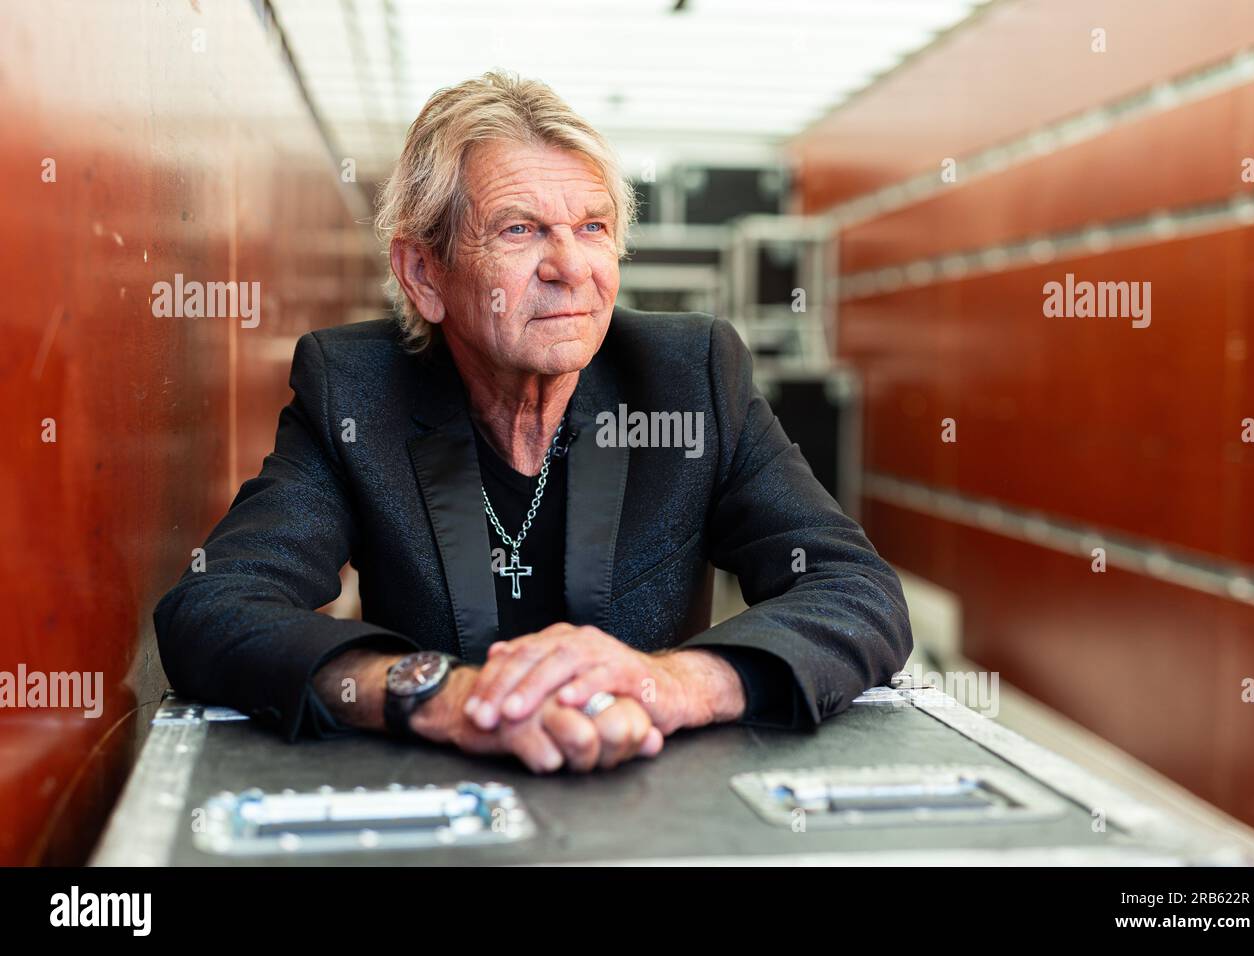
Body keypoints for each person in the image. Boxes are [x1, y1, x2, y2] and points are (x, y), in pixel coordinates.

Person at [154, 71, 912, 774]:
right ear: (424, 273)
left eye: (592, 227)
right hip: (441, 815)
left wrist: (674, 683)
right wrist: (440, 695)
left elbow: (857, 591)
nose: (571, 268)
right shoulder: (355, 391)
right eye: (520, 230)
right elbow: (214, 608)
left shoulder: (690, 379)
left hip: (653, 811)